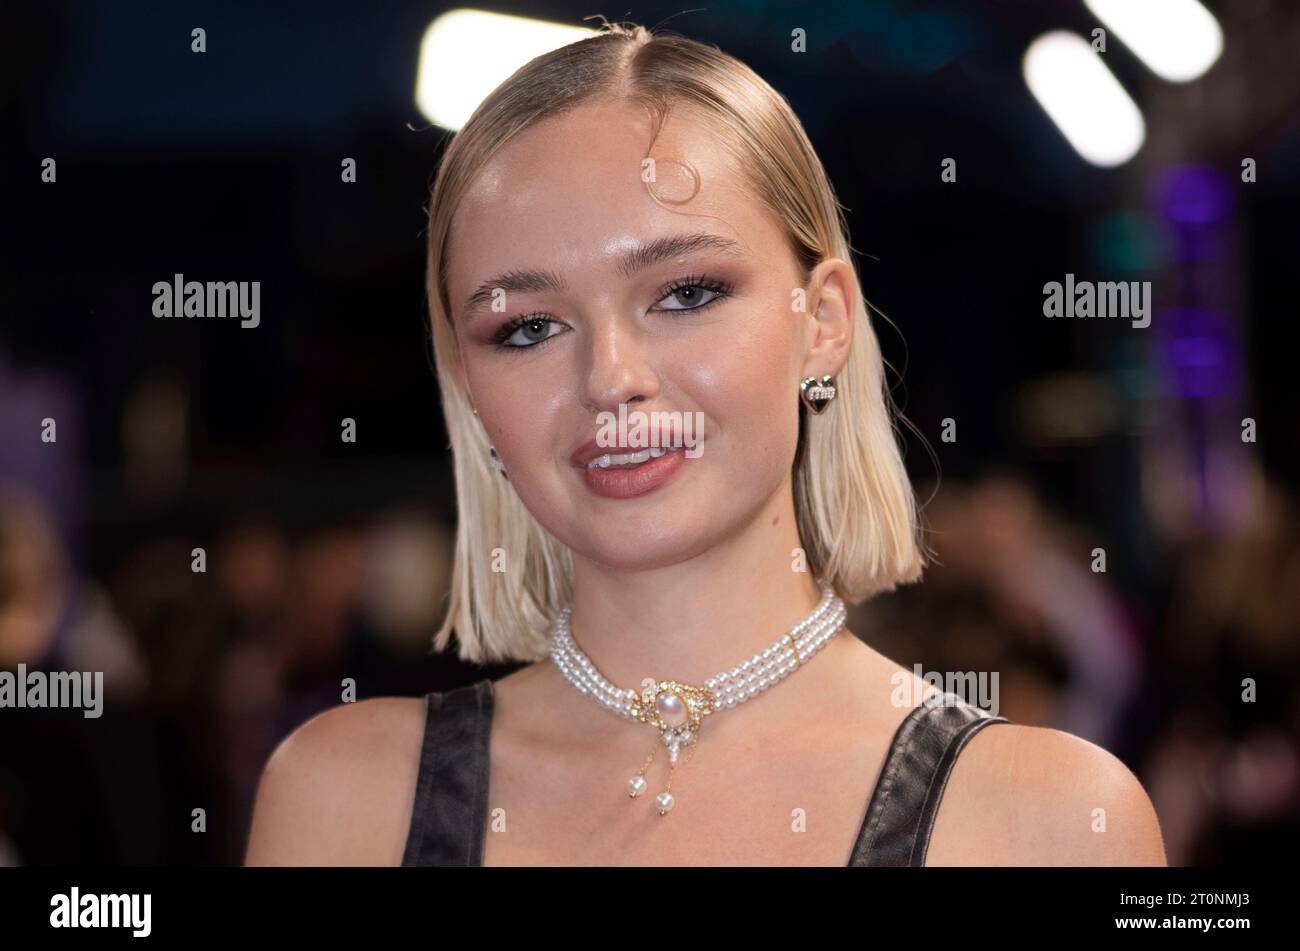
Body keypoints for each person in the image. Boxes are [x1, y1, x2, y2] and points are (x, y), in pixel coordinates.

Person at [244, 19, 1166, 866]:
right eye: (526, 327)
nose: (610, 377)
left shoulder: (1048, 819)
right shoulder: (344, 799)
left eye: (686, 293)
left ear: (824, 321)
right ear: (470, 390)